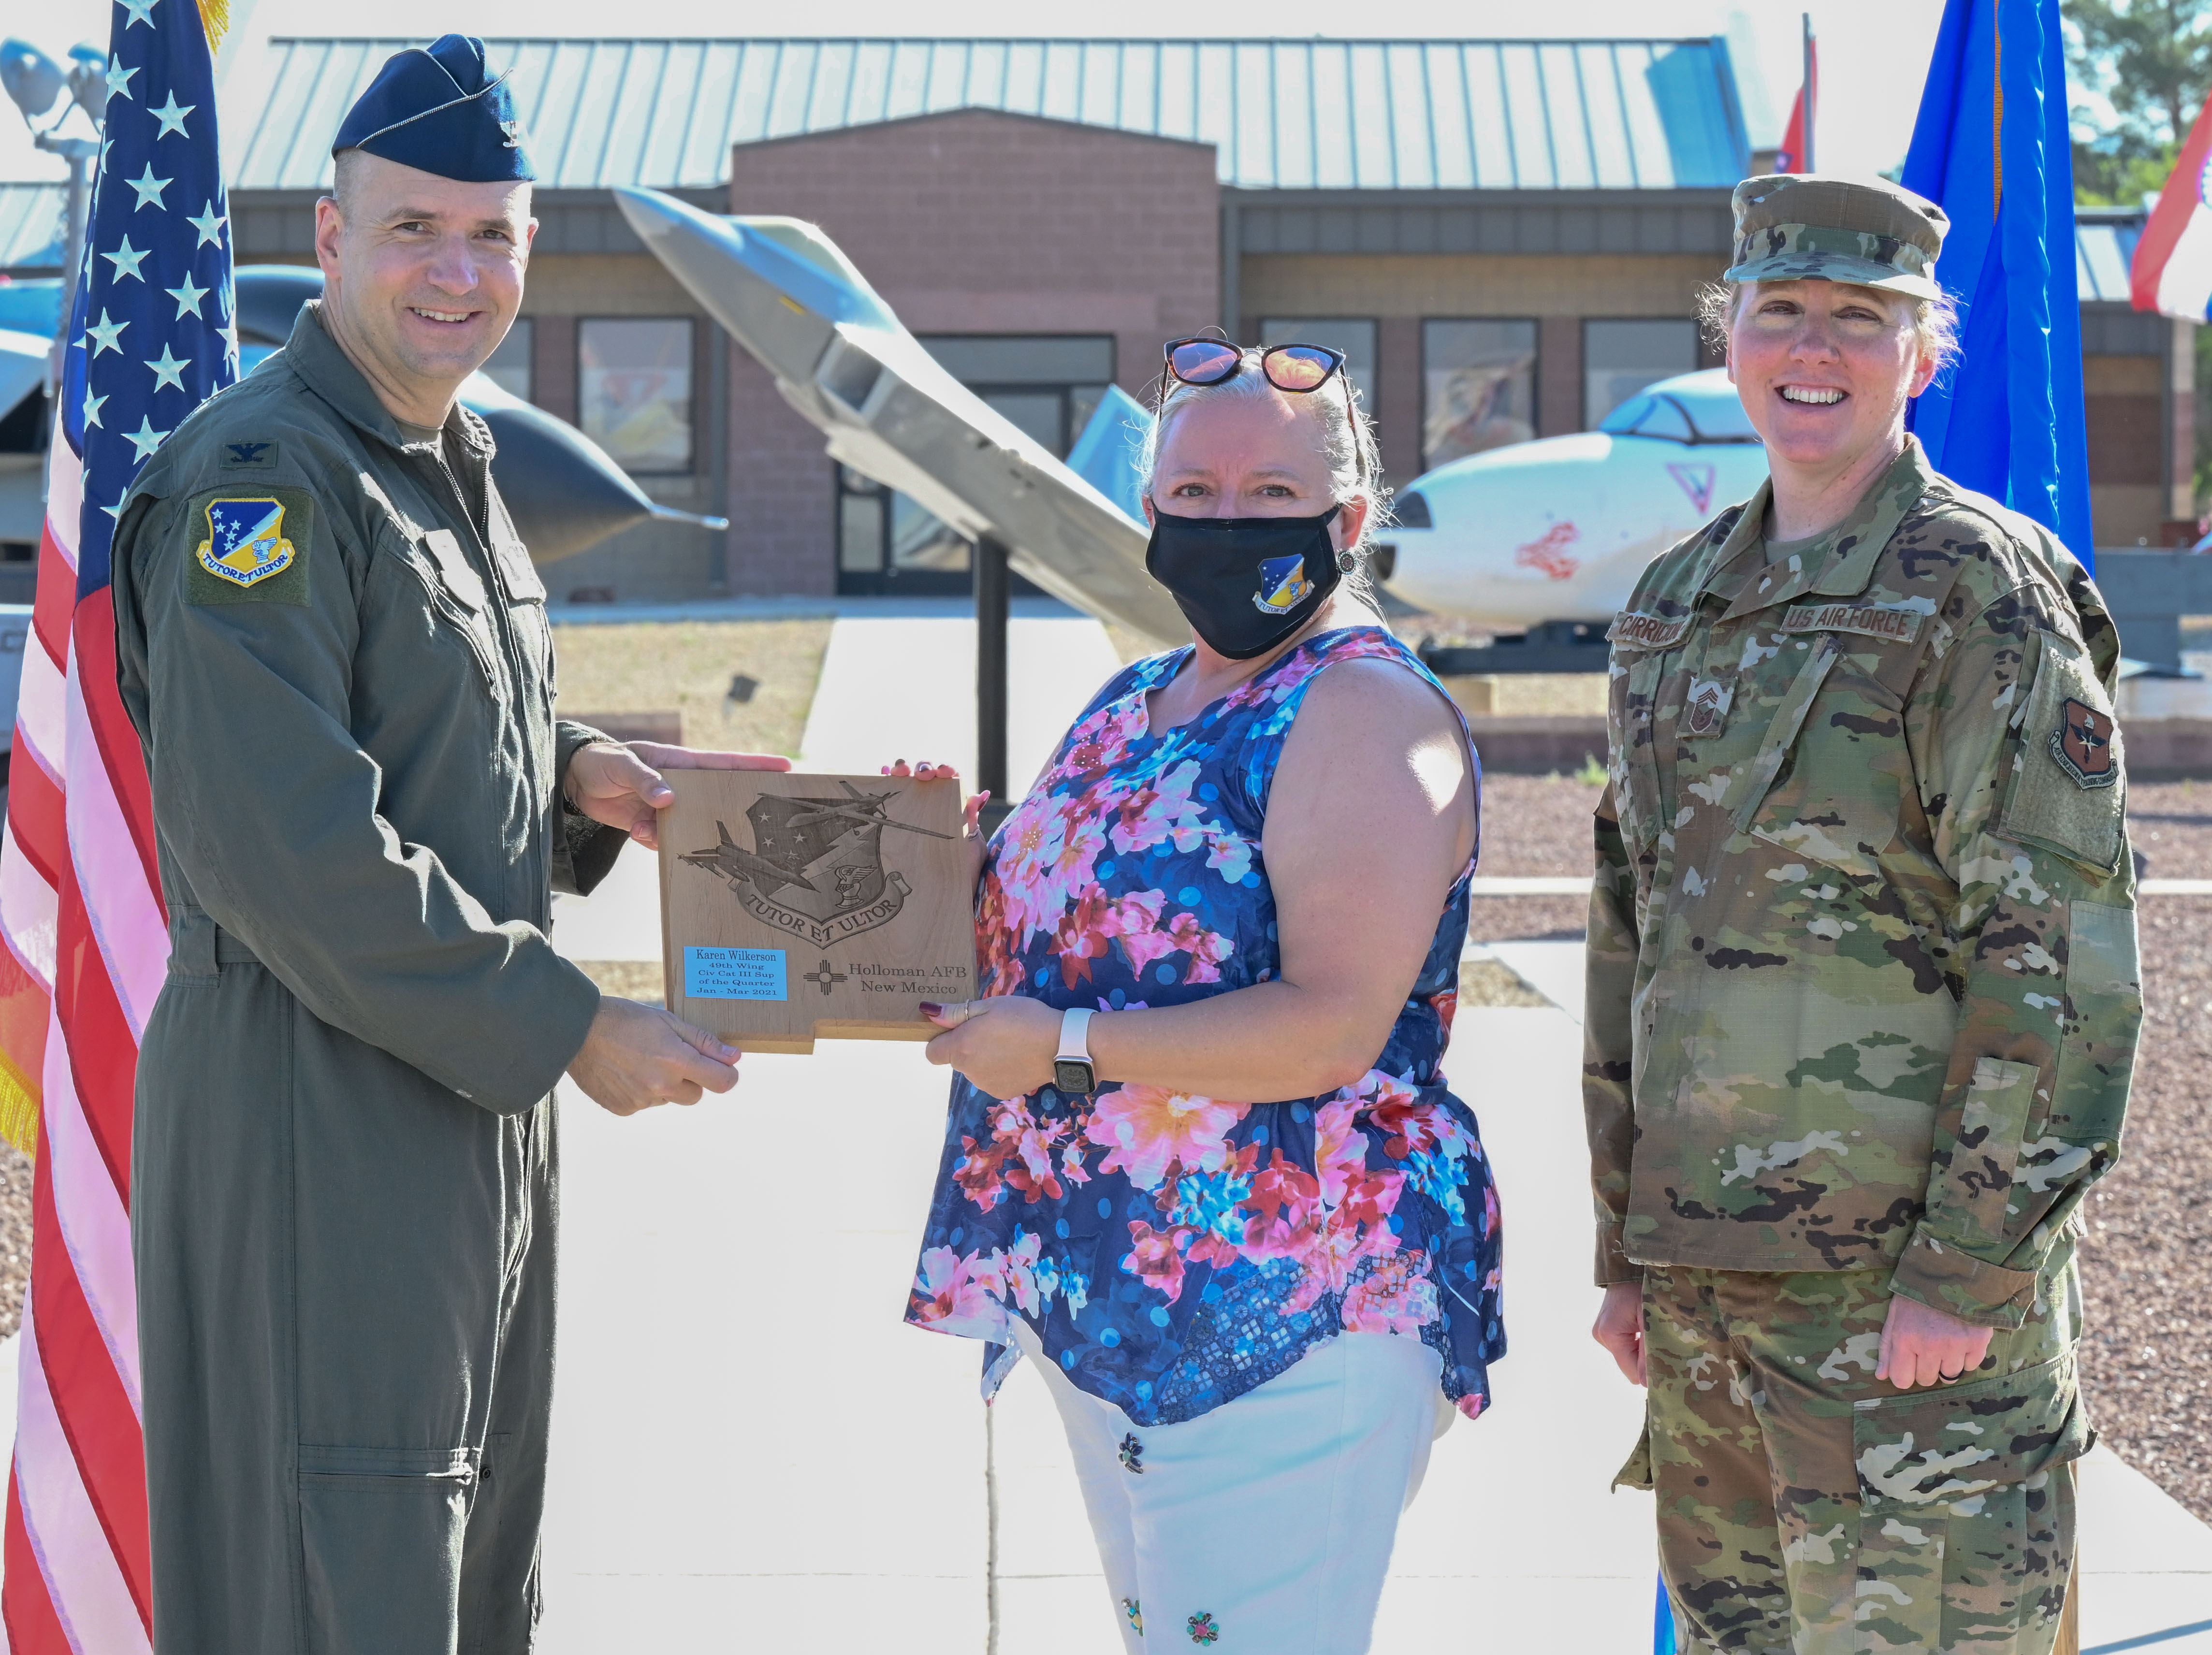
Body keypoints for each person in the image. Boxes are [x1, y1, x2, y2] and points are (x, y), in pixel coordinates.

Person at [111, 37, 784, 1655]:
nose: (456, 270)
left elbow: (411, 730)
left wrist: (582, 782)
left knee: (462, 1567)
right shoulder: (266, 481)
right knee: (342, 1571)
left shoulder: (445, 472)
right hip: (312, 1109)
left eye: (492, 235)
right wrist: (570, 1029)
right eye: (414, 229)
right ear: (331, 241)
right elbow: (286, 843)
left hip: (444, 1098)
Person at [1585, 174, 2141, 1654]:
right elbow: (1634, 938)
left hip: (1907, 1316)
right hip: (1711, 1301)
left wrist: (1968, 1269)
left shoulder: (1981, 593)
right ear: (1733, 337)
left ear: (1922, 354)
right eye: (1781, 312)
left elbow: (2060, 959)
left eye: (1858, 317)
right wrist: (1625, 1248)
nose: (1811, 346)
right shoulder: (1676, 600)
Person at [898, 337, 1504, 1655]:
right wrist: (929, 893)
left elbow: (1332, 1024)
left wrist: (1060, 1047)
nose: (1227, 523)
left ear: (1347, 520)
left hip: (1289, 1311)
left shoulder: (1359, 710)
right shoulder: (1136, 699)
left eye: (1271, 496)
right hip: (1116, 1304)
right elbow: (1053, 954)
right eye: (1197, 493)